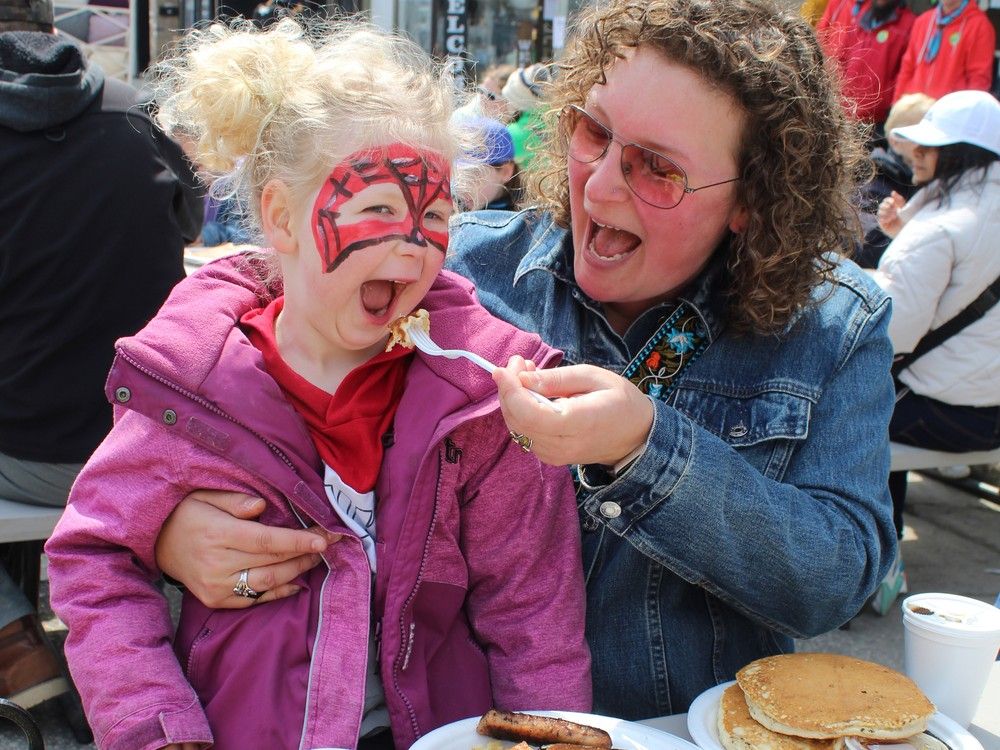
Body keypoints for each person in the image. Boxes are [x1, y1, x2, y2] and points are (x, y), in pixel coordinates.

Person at [152, 0, 898, 720]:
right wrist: (168, 528)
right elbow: (266, 294)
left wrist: (648, 450)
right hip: (465, 727)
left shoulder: (834, 324)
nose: (599, 185)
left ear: (751, 199)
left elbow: (834, 583)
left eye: (657, 169)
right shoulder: (464, 268)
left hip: (686, 729)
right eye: (592, 132)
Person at [43, 17, 590, 750]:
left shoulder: (480, 397)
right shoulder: (192, 391)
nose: (411, 244)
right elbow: (96, 561)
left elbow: (532, 610)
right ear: (282, 217)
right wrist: (157, 729)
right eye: (378, 208)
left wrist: (552, 737)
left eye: (433, 215)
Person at [0, 0, 200, 709]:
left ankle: (13, 643)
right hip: (156, 435)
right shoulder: (133, 112)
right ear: (54, 32)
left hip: (31, 450)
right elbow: (191, 221)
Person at [871, 90, 1000, 542]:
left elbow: (889, 336)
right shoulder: (968, 215)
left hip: (947, 414)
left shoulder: (939, 226)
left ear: (961, 154)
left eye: (930, 145)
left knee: (843, 406)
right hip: (988, 410)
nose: (916, 152)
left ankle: (876, 553)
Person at [854, 92, 935, 269]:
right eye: (920, 136)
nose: (931, 145)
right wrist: (902, 231)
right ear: (895, 141)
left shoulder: (917, 180)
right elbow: (861, 249)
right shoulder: (875, 180)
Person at [825, 0, 916, 128]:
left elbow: (905, 73)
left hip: (877, 122)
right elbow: (843, 56)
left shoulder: (909, 24)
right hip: (844, 112)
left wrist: (888, 105)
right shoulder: (862, 14)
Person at [893, 0, 995, 102]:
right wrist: (896, 104)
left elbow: (978, 82)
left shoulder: (980, 26)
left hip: (951, 110)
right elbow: (907, 68)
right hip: (915, 108)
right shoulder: (922, 21)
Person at [454, 116, 522, 211]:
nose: (462, 187)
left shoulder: (529, 217)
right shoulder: (448, 209)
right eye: (456, 175)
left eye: (474, 174)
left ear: (506, 172)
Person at [502, 62, 553, 170]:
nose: (504, 104)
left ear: (517, 101)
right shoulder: (557, 117)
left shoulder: (512, 134)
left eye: (507, 99)